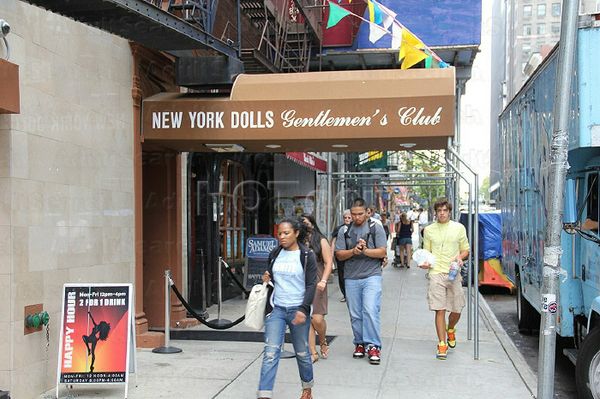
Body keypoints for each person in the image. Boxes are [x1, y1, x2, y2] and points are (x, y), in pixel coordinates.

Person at [258, 218, 317, 399]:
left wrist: (303, 309)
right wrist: (267, 277)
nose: (282, 237)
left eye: (286, 233)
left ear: (296, 233)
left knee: (302, 352)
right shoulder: (275, 253)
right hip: (277, 309)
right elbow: (272, 277)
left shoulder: (307, 255)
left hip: (298, 309)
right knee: (270, 352)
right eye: (279, 234)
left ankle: (307, 388)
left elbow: (311, 284)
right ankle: (264, 394)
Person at [335, 198, 387, 365]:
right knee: (356, 314)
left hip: (372, 275)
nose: (356, 217)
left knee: (370, 310)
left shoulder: (376, 227)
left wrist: (365, 251)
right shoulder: (344, 230)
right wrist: (353, 251)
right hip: (351, 277)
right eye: (353, 214)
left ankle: (373, 345)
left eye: (360, 214)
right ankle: (359, 342)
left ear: (367, 212)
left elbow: (382, 252)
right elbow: (339, 254)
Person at [420, 198, 470, 360]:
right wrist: (425, 263)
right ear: (435, 213)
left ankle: (451, 329)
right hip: (436, 273)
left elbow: (466, 250)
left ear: (449, 212)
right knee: (439, 309)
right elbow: (426, 252)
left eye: (445, 210)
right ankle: (442, 343)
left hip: (453, 273)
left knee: (457, 308)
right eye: (439, 211)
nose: (442, 213)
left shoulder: (459, 228)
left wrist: (460, 258)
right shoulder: (429, 230)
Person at [301, 213, 334, 363]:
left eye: (306, 224)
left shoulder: (321, 240)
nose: (304, 227)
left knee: (317, 318)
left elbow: (328, 263)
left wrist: (324, 281)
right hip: (301, 283)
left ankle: (322, 340)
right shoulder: (297, 242)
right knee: (307, 318)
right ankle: (312, 352)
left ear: (313, 224)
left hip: (318, 282)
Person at [331, 210, 352, 302]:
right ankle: (345, 294)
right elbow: (333, 242)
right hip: (340, 256)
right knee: (341, 275)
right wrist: (331, 257)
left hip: (352, 256)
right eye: (345, 218)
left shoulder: (355, 228)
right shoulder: (339, 228)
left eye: (349, 217)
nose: (347, 219)